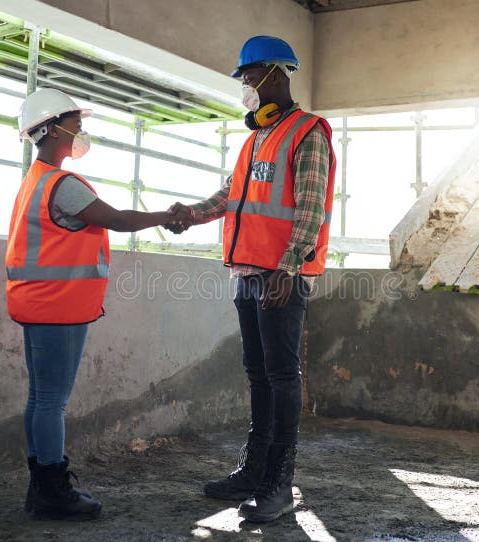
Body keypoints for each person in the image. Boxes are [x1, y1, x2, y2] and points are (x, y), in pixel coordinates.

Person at [167, 35, 336, 523]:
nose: (245, 85)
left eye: (249, 76)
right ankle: (254, 470)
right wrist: (191, 213)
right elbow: (231, 196)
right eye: (243, 78)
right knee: (258, 374)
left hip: (281, 275)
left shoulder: (307, 133)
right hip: (248, 272)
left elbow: (311, 207)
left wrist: (288, 266)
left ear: (276, 75)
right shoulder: (257, 138)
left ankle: (279, 483)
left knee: (282, 375)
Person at [6, 88, 191, 521]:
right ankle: (53, 491)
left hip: (37, 304)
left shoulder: (34, 180)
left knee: (40, 399)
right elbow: (118, 219)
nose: (80, 130)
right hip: (59, 307)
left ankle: (41, 487)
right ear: (52, 130)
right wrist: (168, 217)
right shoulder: (61, 184)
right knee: (51, 402)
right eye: (75, 123)